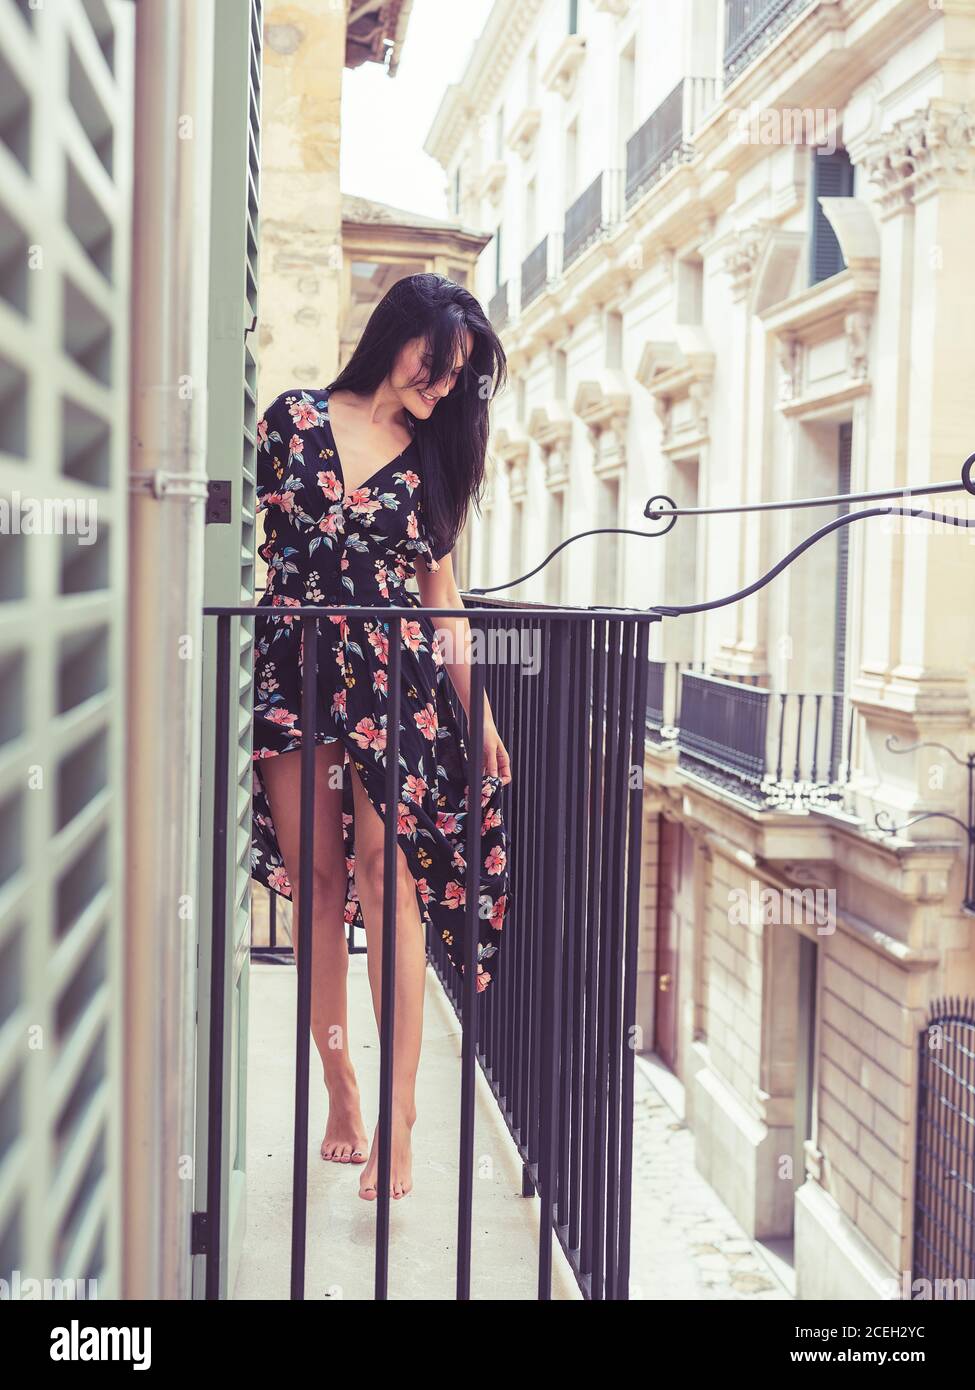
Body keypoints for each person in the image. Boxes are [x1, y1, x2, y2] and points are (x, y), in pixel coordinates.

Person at [251, 273, 512, 1200]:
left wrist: (475, 710)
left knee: (386, 878)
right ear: (394, 335)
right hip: (292, 673)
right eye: (433, 364)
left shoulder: (435, 460)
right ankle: (341, 1088)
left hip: (392, 686)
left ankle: (401, 1118)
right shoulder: (289, 422)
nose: (442, 387)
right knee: (318, 887)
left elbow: (444, 604)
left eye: (456, 379)